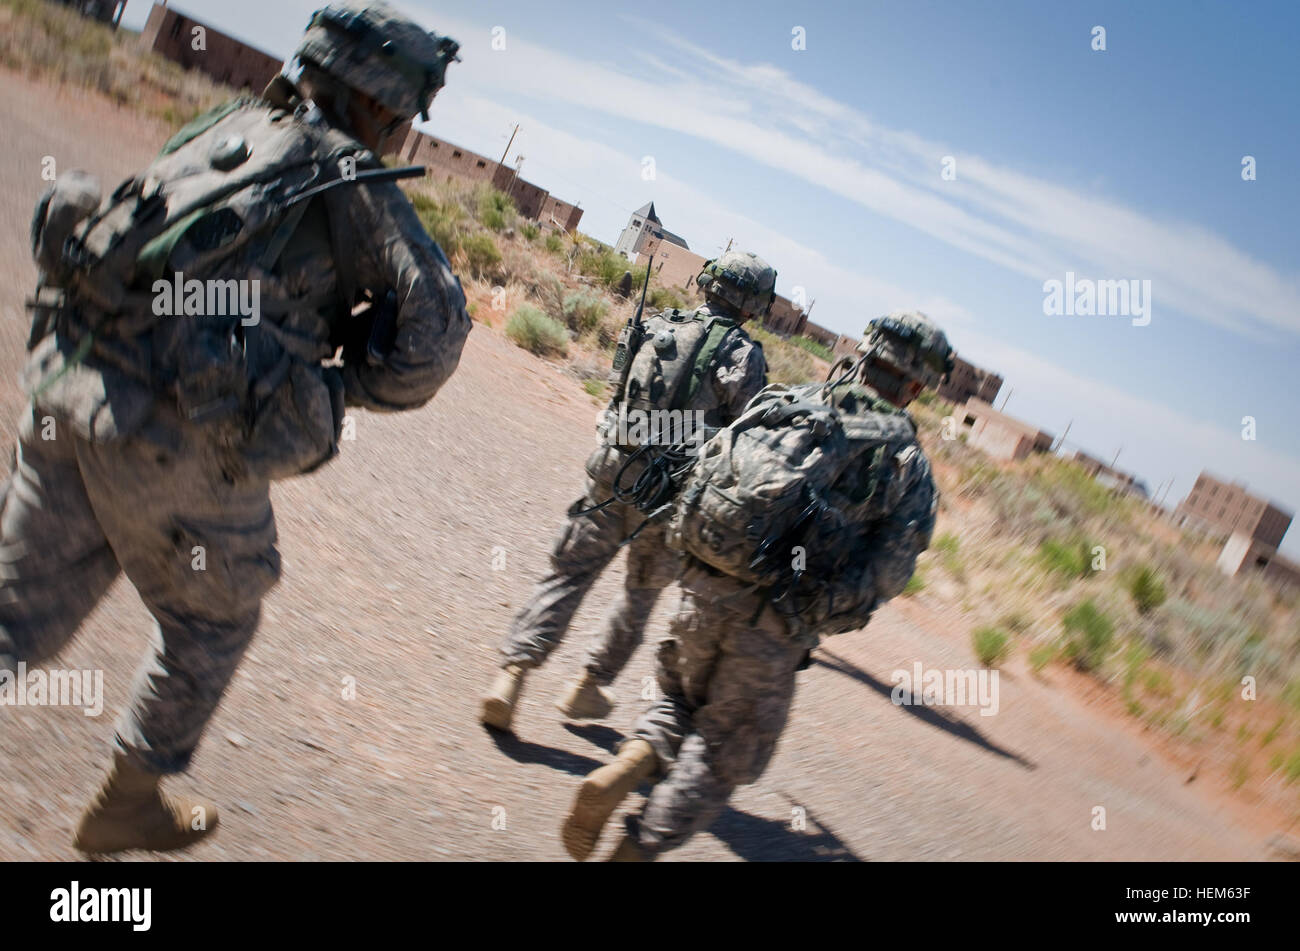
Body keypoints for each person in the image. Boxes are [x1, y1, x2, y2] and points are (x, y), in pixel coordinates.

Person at [1, 1, 469, 854]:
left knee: (11, 617)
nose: (401, 132)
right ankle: (128, 800)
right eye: (404, 116)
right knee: (216, 617)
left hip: (67, 385)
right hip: (178, 445)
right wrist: (338, 382)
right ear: (379, 108)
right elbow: (433, 340)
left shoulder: (230, 122)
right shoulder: (350, 177)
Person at [561, 311, 954, 861]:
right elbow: (888, 572)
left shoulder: (788, 401)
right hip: (775, 622)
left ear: (863, 354)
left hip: (703, 578)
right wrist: (825, 611)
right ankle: (637, 844)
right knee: (724, 747)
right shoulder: (906, 463)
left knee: (677, 698)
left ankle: (627, 766)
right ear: (915, 386)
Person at [481, 251, 776, 731]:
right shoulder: (746, 357)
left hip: (613, 467)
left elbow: (618, 388)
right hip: (668, 494)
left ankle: (512, 676)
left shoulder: (661, 324)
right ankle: (588, 686)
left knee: (569, 572)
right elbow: (739, 441)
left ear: (709, 284)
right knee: (638, 595)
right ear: (755, 304)